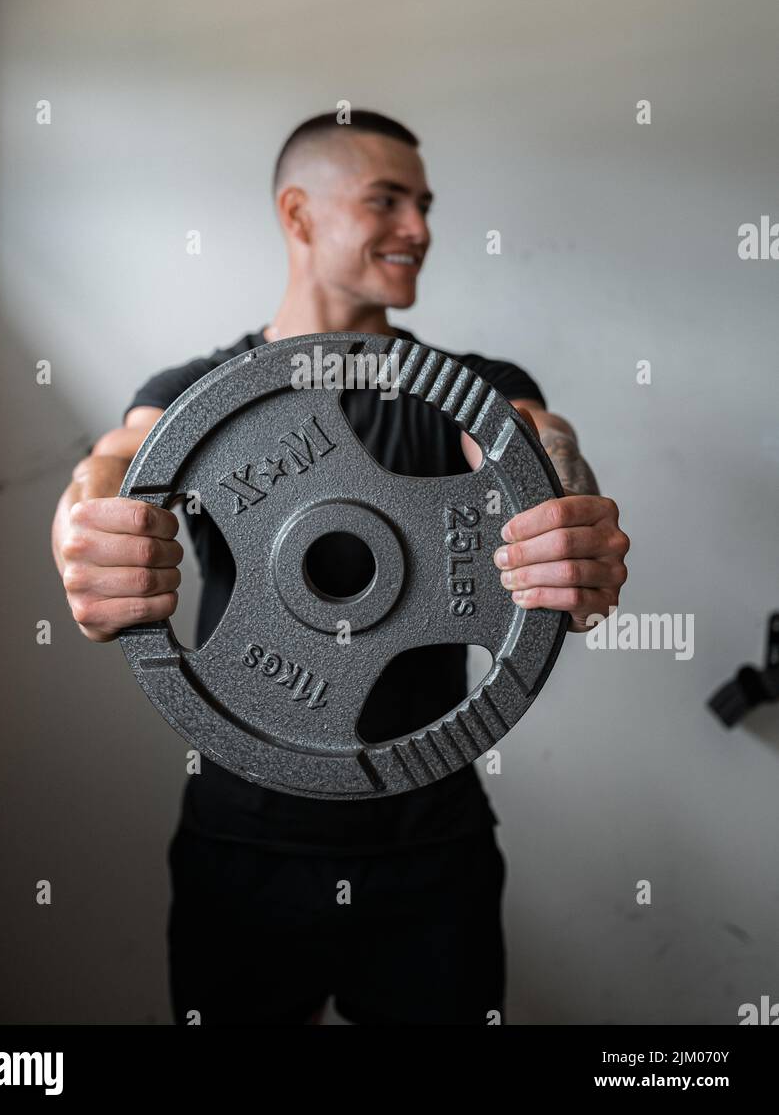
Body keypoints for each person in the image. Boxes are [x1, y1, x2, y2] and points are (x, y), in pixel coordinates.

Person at [51, 110, 629, 1025]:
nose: (420, 230)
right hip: (241, 839)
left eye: (426, 205)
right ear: (298, 213)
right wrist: (84, 533)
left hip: (429, 842)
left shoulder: (468, 386)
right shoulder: (196, 396)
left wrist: (564, 509)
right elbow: (116, 461)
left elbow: (530, 448)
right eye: (386, 201)